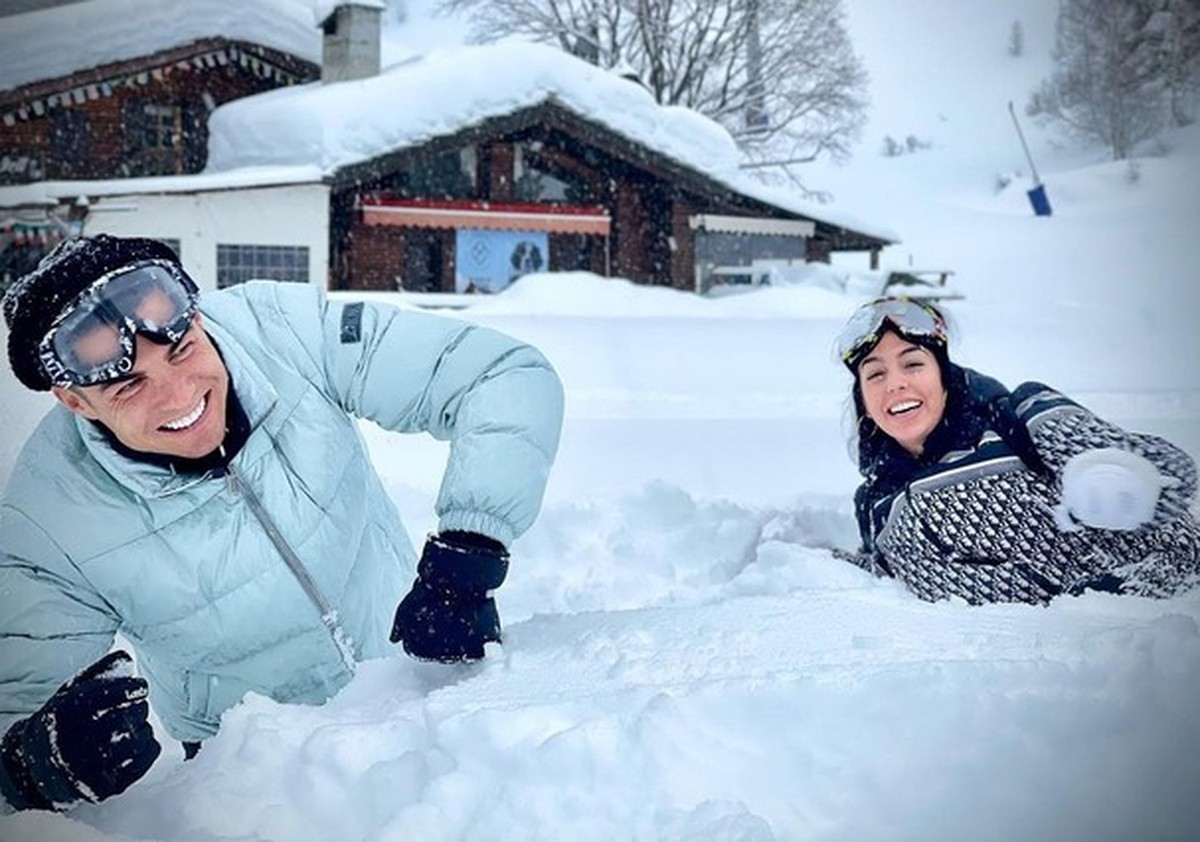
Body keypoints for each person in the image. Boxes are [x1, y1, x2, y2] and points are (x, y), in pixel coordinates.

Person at [0, 234, 564, 812]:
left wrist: (470, 550)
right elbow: (11, 715)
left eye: (181, 351)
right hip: (257, 782)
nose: (180, 397)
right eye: (129, 386)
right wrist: (27, 764)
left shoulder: (284, 331)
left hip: (417, 688)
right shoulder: (47, 521)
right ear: (74, 401)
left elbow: (501, 375)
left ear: (195, 318)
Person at [836, 295, 1199, 605]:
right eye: (875, 374)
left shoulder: (1022, 418)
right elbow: (879, 582)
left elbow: (1171, 476)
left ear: (943, 375)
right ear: (863, 399)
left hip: (1167, 615)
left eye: (913, 364)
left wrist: (1118, 478)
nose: (895, 384)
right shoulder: (875, 503)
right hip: (1048, 659)